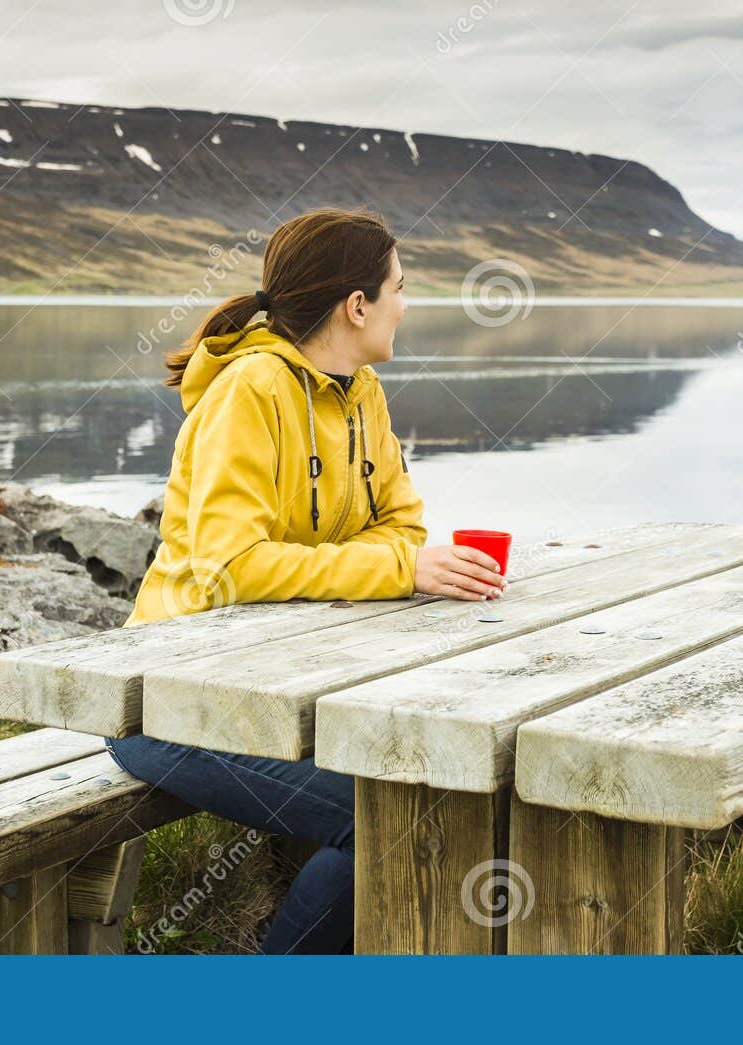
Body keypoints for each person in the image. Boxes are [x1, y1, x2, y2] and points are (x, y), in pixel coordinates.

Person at [105, 207, 507, 954]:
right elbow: (231, 569)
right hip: (165, 697)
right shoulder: (249, 393)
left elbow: (403, 526)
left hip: (275, 683)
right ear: (357, 306)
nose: (406, 304)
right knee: (379, 815)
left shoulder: (362, 392)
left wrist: (395, 559)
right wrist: (392, 568)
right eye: (398, 287)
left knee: (441, 786)